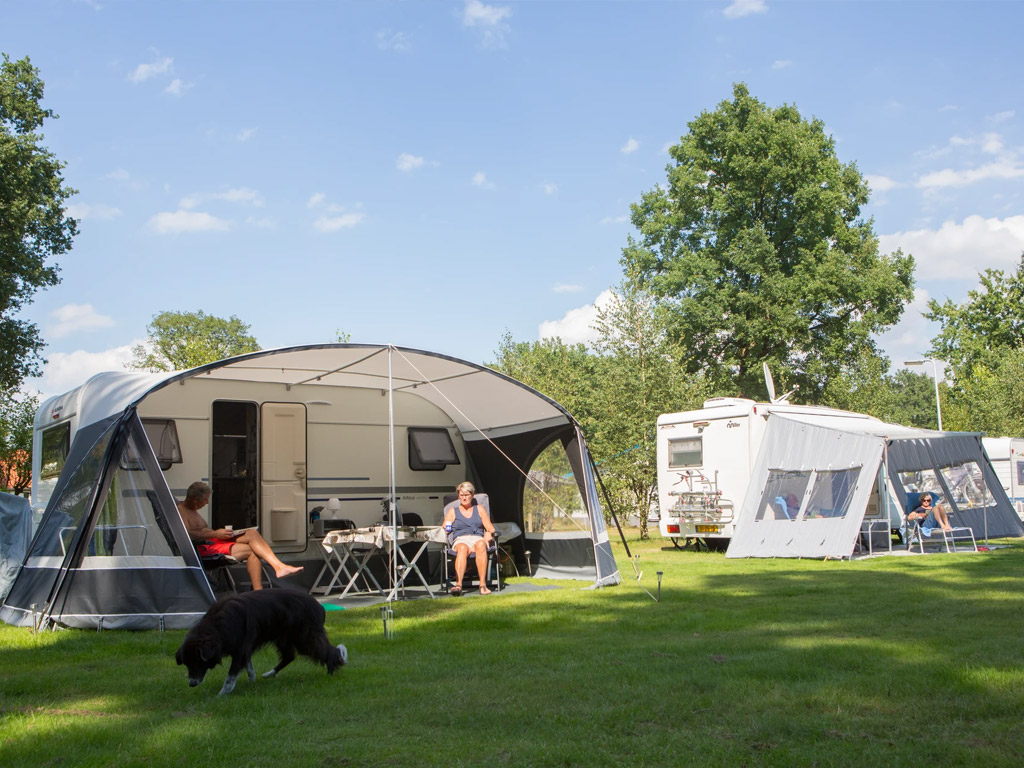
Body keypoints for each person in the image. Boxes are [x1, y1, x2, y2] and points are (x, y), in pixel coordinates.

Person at [177, 481, 302, 590]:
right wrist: (215, 533)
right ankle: (259, 590)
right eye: (205, 500)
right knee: (252, 551)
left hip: (212, 540)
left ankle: (279, 567)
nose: (207, 503)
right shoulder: (181, 510)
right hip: (203, 548)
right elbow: (185, 534)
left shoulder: (193, 510)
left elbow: (201, 530)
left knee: (252, 533)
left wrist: (219, 533)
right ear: (196, 499)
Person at [443, 481, 496, 596]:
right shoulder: (453, 511)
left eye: (466, 495)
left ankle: (482, 585)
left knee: (481, 545)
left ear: (472, 495)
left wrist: (488, 533)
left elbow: (490, 528)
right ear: (458, 496)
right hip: (461, 539)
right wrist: (447, 528)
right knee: (462, 548)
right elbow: (445, 527)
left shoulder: (479, 509)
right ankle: (458, 585)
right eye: (461, 495)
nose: (464, 498)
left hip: (477, 538)